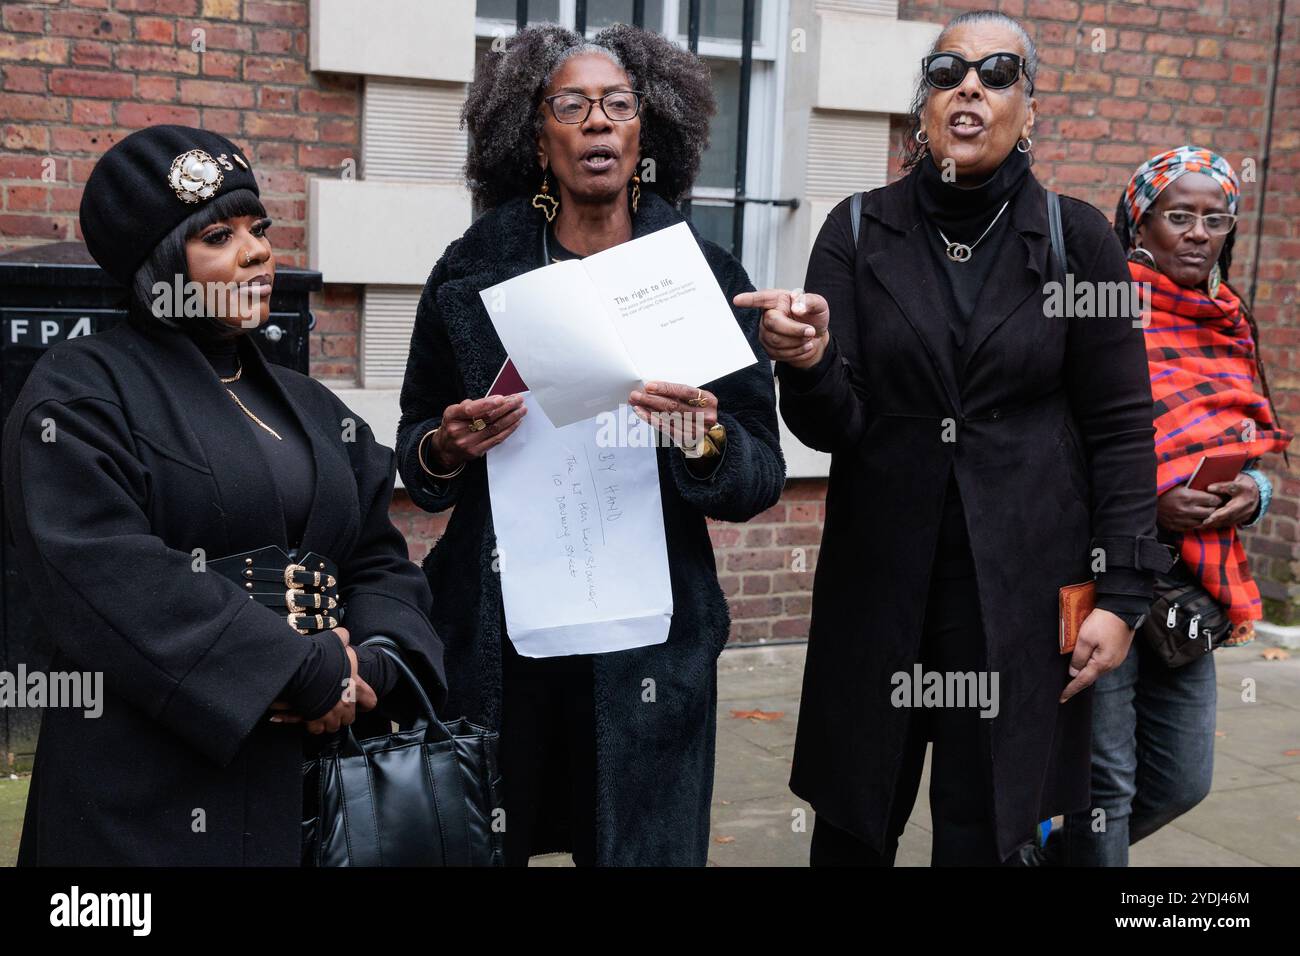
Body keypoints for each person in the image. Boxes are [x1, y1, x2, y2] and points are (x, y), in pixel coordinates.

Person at [738, 11, 1170, 865]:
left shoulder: (1078, 241)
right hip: (881, 585)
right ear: (923, 112)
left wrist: (1121, 596)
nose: (970, 87)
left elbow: (1122, 426)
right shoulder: (857, 233)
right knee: (854, 820)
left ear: (1029, 109)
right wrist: (815, 359)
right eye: (947, 74)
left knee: (991, 827)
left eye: (998, 73)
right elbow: (834, 425)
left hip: (1017, 590)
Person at [395, 24, 785, 866]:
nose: (598, 122)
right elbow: (416, 451)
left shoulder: (703, 277)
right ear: (537, 137)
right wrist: (448, 448)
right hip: (505, 636)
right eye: (571, 105)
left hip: (649, 643)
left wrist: (703, 438)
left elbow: (760, 471)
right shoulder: (473, 271)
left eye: (618, 104)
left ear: (647, 131)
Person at [3, 125, 445, 866]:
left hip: (318, 795)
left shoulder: (311, 406)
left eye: (259, 229)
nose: (257, 253)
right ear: (159, 266)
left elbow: (377, 555)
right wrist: (295, 668)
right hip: (148, 799)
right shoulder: (81, 391)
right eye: (218, 236)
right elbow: (103, 572)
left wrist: (375, 658)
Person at [1054, 147, 1292, 865]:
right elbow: (1056, 448)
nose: (1197, 233)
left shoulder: (1229, 319)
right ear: (1139, 222)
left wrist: (1254, 495)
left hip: (1194, 588)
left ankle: (1045, 861)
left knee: (1184, 780)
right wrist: (1148, 501)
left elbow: (1246, 443)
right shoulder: (1100, 309)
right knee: (1107, 785)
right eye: (1178, 215)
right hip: (1100, 577)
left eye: (1214, 218)